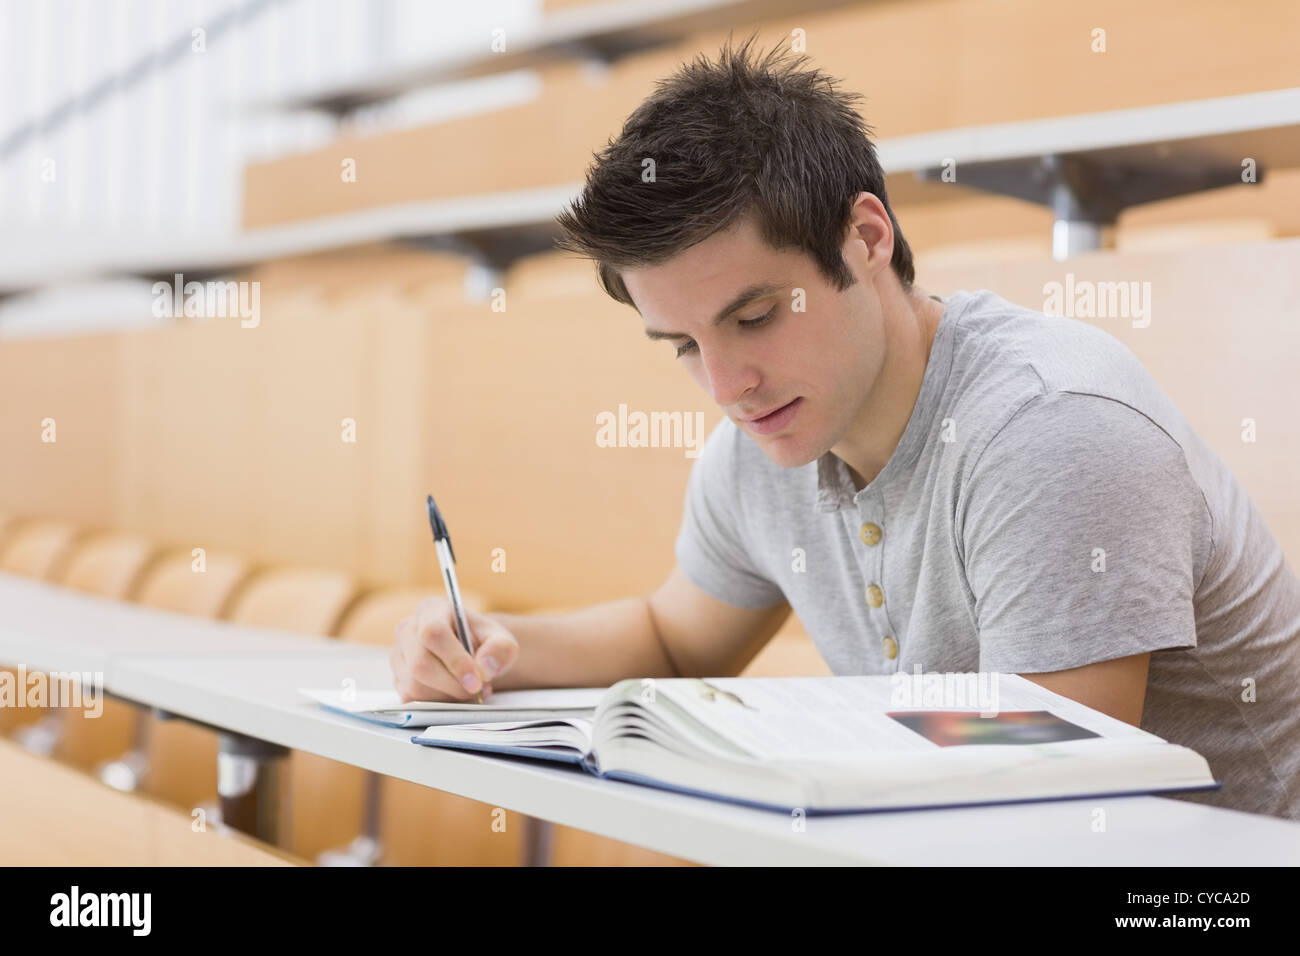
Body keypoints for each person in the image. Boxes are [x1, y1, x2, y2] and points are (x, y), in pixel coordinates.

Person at [391, 35, 1300, 820]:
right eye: (681, 346)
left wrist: (808, 738)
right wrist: (489, 649)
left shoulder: (1049, 428)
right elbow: (672, 638)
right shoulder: (766, 437)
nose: (726, 386)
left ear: (866, 237)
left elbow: (1050, 783)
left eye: (755, 319)